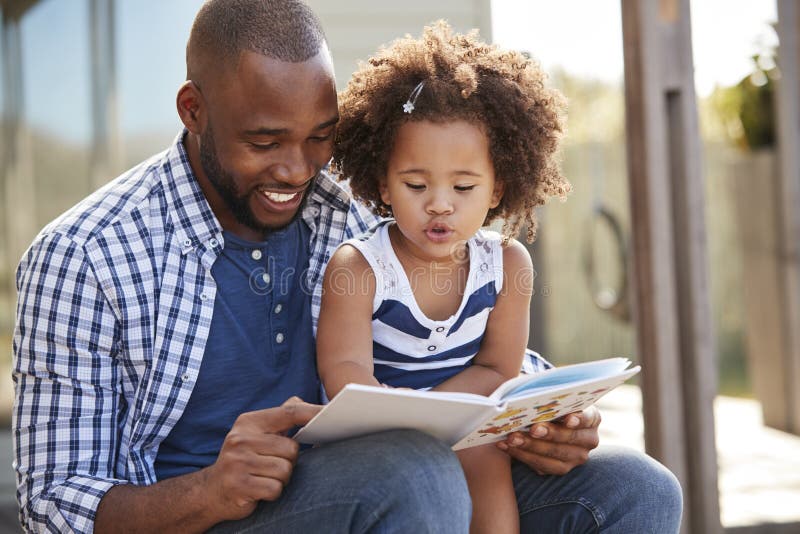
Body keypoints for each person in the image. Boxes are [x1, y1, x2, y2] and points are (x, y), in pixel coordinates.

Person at [11, 1, 682, 533]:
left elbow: (453, 342)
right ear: (194, 111)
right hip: (214, 516)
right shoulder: (84, 256)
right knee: (412, 473)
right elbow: (53, 503)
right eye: (264, 141)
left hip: (384, 482)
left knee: (636, 489)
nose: (297, 169)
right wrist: (209, 492)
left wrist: (544, 416)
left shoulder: (357, 208)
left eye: (318, 137)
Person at [317, 21, 572, 534]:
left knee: (486, 467)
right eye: (415, 184)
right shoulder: (360, 268)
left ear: (498, 188)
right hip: (379, 437)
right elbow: (345, 376)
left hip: (467, 419)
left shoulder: (507, 266)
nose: (439, 203)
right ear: (383, 185)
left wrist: (443, 415)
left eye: (463, 186)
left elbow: (499, 365)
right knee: (422, 477)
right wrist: (418, 423)